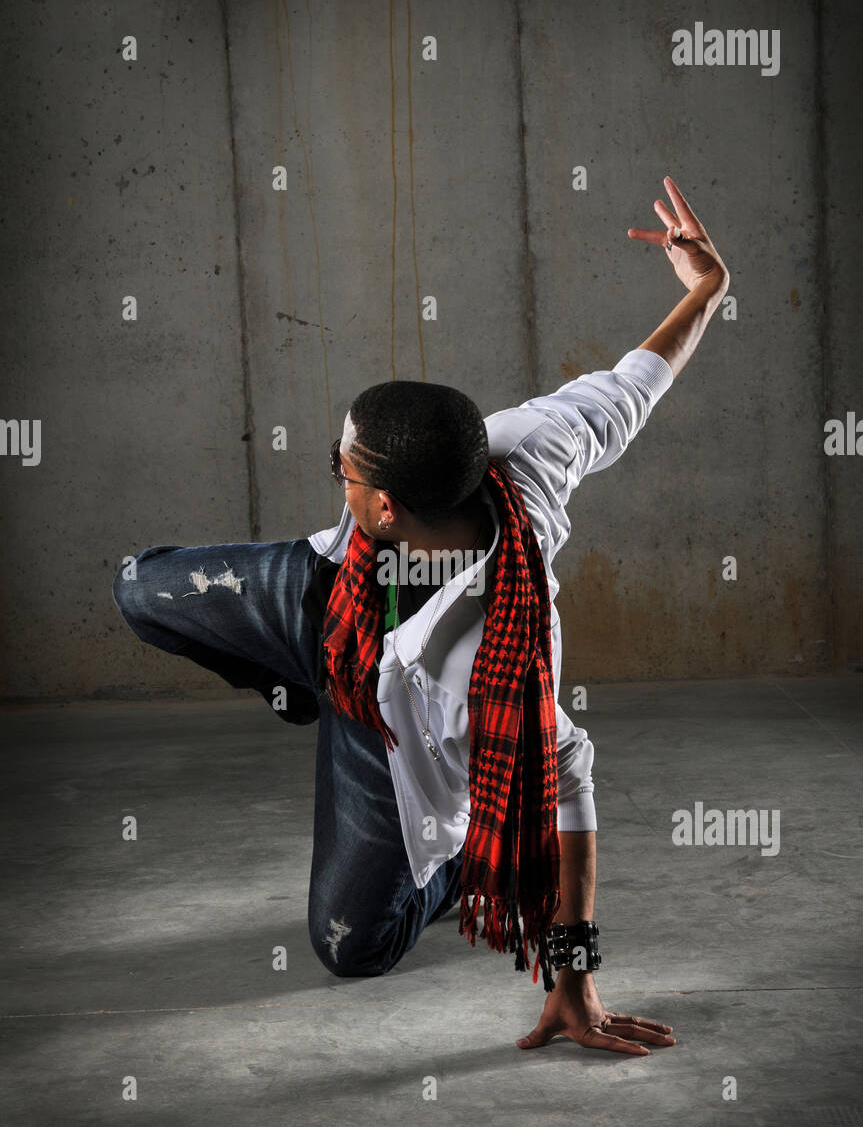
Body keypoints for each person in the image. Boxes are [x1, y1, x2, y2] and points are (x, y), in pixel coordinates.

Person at [113, 176, 729, 1057]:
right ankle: (295, 685)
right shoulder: (526, 444)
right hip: (324, 597)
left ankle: (450, 871)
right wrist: (706, 288)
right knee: (139, 587)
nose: (337, 469)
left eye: (344, 468)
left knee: (351, 949)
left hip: (388, 727)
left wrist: (574, 974)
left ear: (387, 506)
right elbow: (637, 380)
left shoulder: (480, 670)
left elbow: (568, 787)